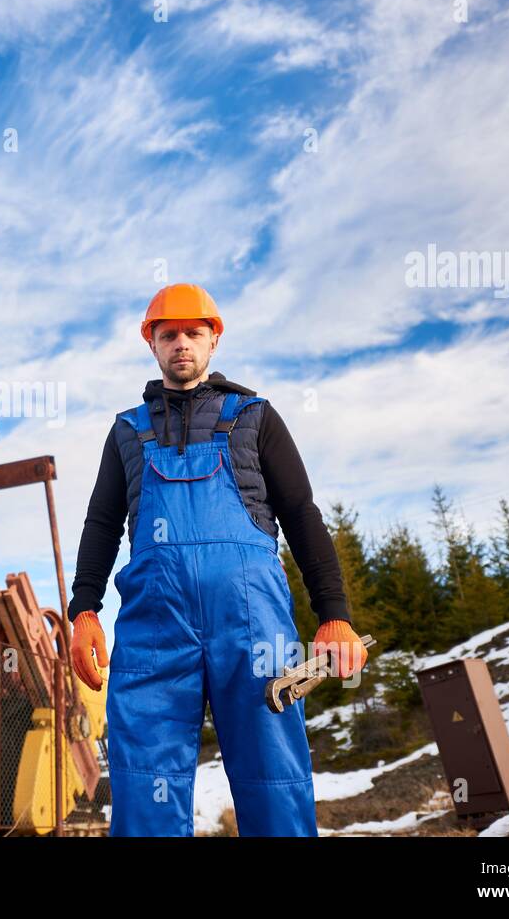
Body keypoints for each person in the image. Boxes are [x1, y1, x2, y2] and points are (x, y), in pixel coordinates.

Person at [68, 282, 369, 837]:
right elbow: (102, 524)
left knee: (273, 774)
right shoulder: (127, 431)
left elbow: (301, 514)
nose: (181, 343)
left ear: (213, 341)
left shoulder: (255, 417)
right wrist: (83, 610)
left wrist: (335, 615)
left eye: (193, 332)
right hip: (156, 628)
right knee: (144, 779)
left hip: (251, 624)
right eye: (168, 334)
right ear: (152, 344)